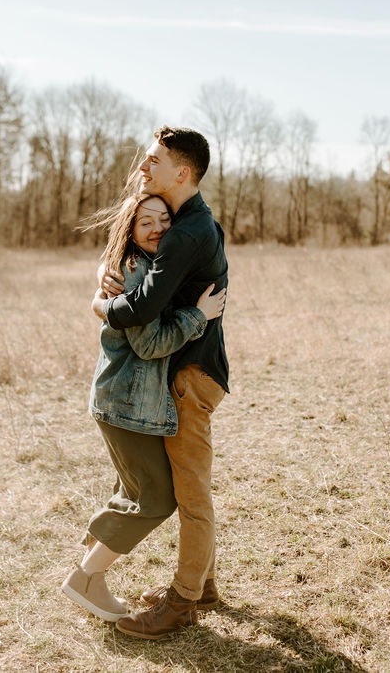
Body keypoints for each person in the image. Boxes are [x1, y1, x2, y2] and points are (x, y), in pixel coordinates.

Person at [61, 192, 226, 623]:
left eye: (164, 220)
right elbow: (150, 343)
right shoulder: (135, 271)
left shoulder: (147, 268)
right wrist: (198, 316)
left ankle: (91, 571)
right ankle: (85, 577)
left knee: (135, 491)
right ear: (130, 230)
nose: (157, 228)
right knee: (154, 499)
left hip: (122, 402)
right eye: (145, 221)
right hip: (124, 404)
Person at [92, 126, 229, 640]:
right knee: (188, 489)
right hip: (190, 372)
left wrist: (102, 304)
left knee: (190, 496)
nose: (143, 166)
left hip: (190, 376)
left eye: (153, 160)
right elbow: (147, 286)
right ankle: (206, 585)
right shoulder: (191, 224)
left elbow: (143, 308)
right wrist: (112, 277)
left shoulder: (189, 232)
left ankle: (184, 601)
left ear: (183, 172)